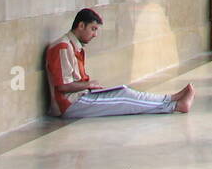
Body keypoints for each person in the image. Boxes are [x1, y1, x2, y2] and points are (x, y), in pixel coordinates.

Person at [46, 8, 195, 118]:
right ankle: (175, 105)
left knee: (125, 92)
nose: (95, 35)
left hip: (82, 97)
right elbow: (63, 86)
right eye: (93, 29)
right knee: (124, 97)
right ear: (81, 26)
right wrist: (88, 84)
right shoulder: (63, 47)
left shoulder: (73, 45)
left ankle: (171, 98)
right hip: (71, 105)